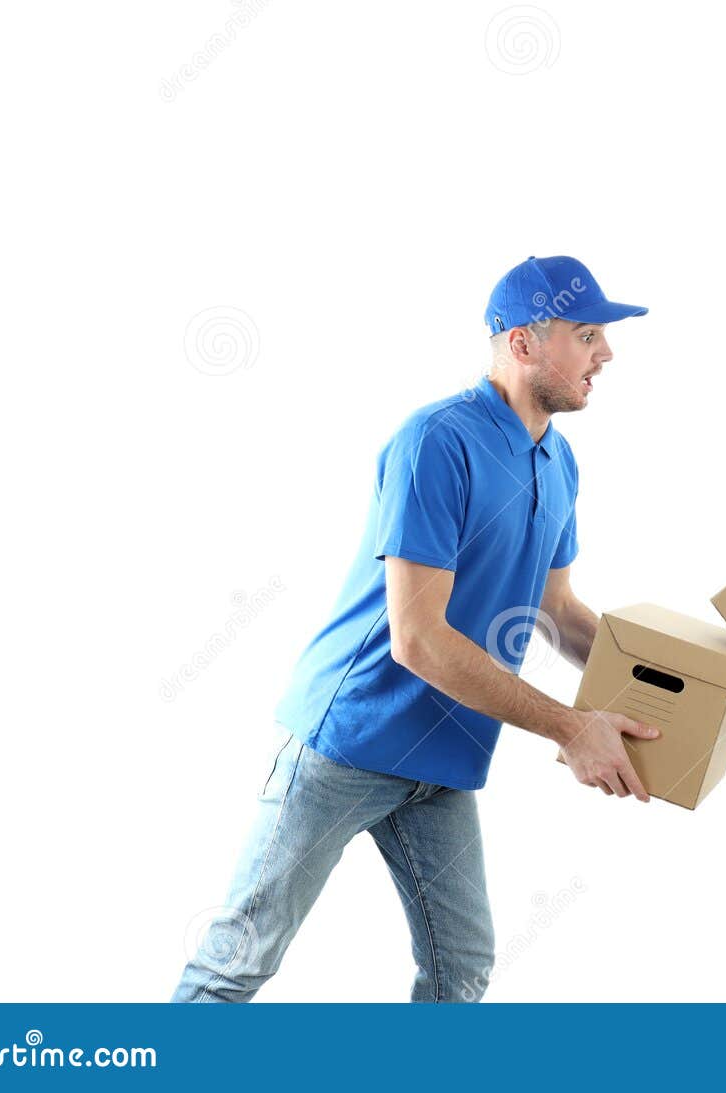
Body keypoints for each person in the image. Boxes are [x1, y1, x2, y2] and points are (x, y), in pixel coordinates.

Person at [170, 255, 660, 1003]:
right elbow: (418, 639)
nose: (607, 355)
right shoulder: (437, 441)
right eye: (587, 334)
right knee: (238, 961)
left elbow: (557, 611)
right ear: (523, 343)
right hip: (350, 741)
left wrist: (681, 684)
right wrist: (569, 727)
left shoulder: (558, 460)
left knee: (461, 968)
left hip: (445, 757)